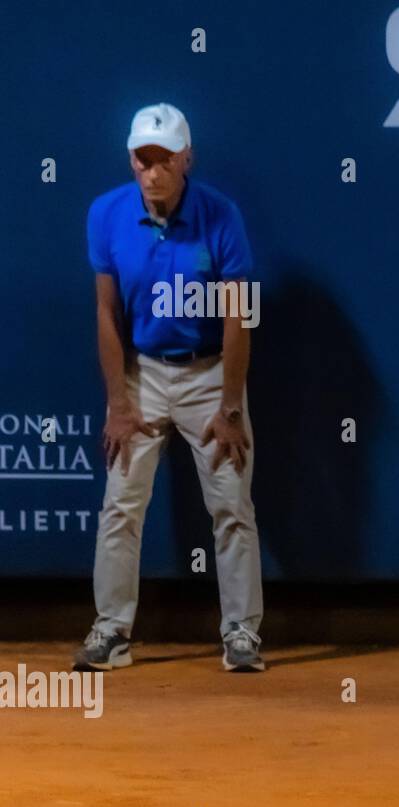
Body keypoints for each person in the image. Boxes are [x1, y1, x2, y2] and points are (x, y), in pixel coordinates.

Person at [74, 103, 265, 673]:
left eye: (164, 160)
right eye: (142, 159)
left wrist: (230, 406)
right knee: (120, 505)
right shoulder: (105, 214)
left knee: (231, 504)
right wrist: (117, 402)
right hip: (143, 374)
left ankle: (240, 635)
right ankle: (111, 632)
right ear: (131, 160)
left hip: (211, 373)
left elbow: (239, 317)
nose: (152, 172)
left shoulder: (221, 216)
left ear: (187, 159)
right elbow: (107, 314)